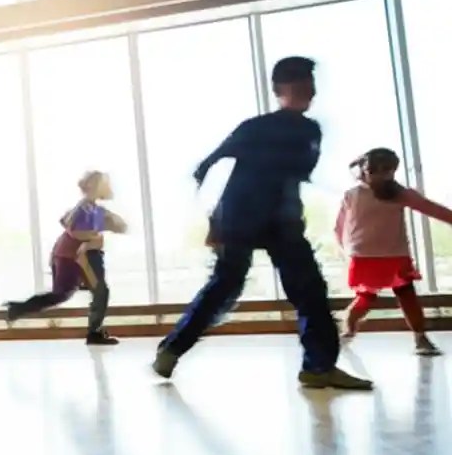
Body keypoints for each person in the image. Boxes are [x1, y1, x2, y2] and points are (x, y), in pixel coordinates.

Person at [152, 56, 371, 390]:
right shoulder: (286, 129)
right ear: (280, 89)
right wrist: (214, 217)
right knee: (295, 288)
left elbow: (209, 165)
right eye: (300, 83)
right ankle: (318, 366)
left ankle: (172, 350)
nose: (308, 89)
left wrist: (217, 214)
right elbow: (211, 164)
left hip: (253, 216)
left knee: (245, 285)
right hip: (266, 218)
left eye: (309, 83)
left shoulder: (283, 129)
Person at [335, 147, 452, 354]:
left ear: (393, 171)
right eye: (374, 170)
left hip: (394, 256)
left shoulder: (400, 194)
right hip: (366, 257)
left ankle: (420, 338)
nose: (380, 175)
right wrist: (346, 249)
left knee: (405, 295)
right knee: (367, 297)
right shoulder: (352, 195)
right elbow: (339, 226)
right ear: (364, 170)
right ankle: (348, 331)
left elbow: (432, 209)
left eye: (386, 170)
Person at [5, 171, 126, 345]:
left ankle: (94, 333)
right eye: (104, 183)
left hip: (77, 257)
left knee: (97, 292)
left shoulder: (94, 208)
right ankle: (17, 309)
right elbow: (70, 226)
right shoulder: (83, 206)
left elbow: (68, 220)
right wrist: (92, 236)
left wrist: (107, 226)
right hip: (68, 257)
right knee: (63, 294)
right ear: (94, 186)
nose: (108, 186)